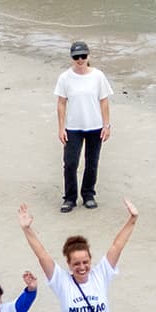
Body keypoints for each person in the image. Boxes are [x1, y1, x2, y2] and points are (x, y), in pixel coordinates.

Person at [53, 43, 112, 212]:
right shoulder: (65, 78)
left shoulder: (98, 76)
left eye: (83, 56)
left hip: (95, 126)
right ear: (71, 58)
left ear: (88, 57)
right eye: (76, 57)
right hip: (73, 127)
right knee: (70, 163)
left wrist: (106, 125)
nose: (80, 60)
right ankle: (70, 198)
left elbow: (104, 101)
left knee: (92, 162)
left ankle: (88, 194)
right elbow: (61, 103)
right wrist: (61, 128)